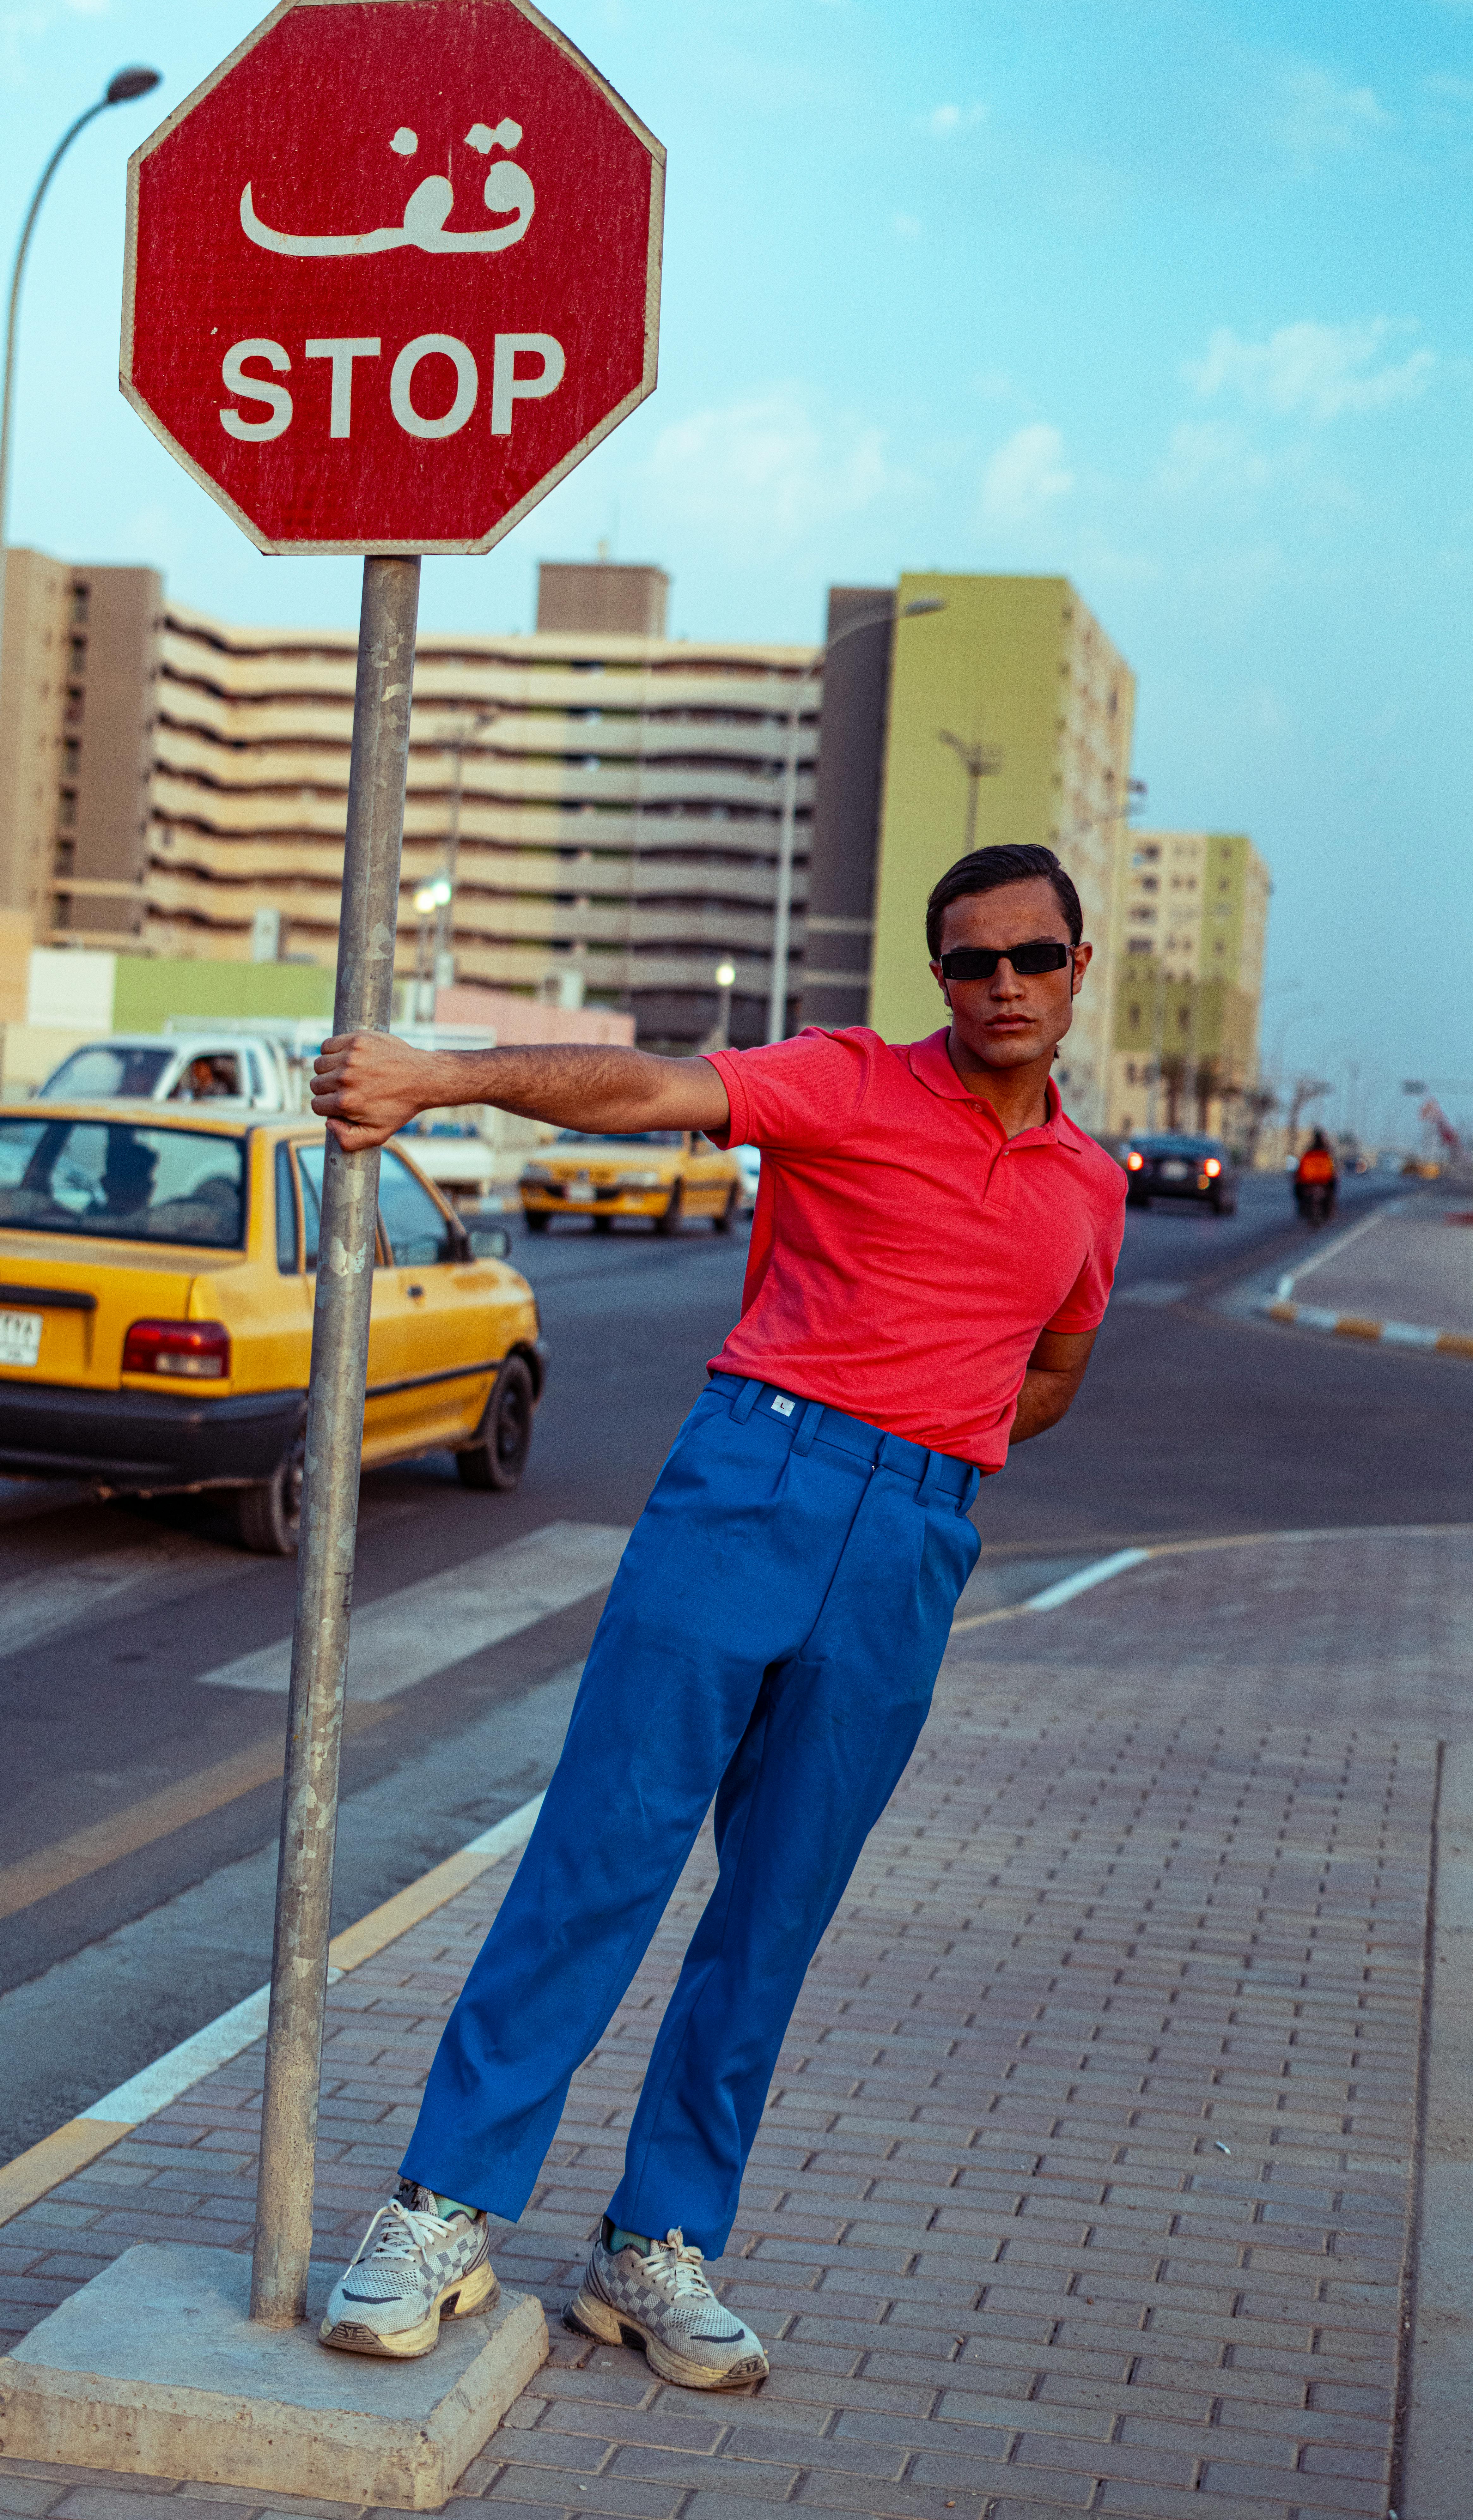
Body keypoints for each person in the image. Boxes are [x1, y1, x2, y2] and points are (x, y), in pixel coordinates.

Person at [306, 840, 1127, 2389]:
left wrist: (938, 1442)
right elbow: (643, 1088)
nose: (1003, 984)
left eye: (1032, 956)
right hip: (755, 1478)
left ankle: (653, 2245)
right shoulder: (848, 1080)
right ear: (939, 976)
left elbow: (1060, 1366)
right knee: (602, 1850)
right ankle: (444, 2206)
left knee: (778, 1907)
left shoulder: (1092, 1186)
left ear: (1079, 967)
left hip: (913, 1539)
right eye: (972, 960)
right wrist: (440, 1076)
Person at [1294, 1128, 1337, 1223]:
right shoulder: (1327, 1152)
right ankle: (1329, 1207)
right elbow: (1333, 1170)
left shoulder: (1309, 1151)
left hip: (1309, 1180)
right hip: (1323, 1181)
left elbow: (1300, 1168)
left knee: (1298, 1188)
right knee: (1332, 1189)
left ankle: (1302, 1207)